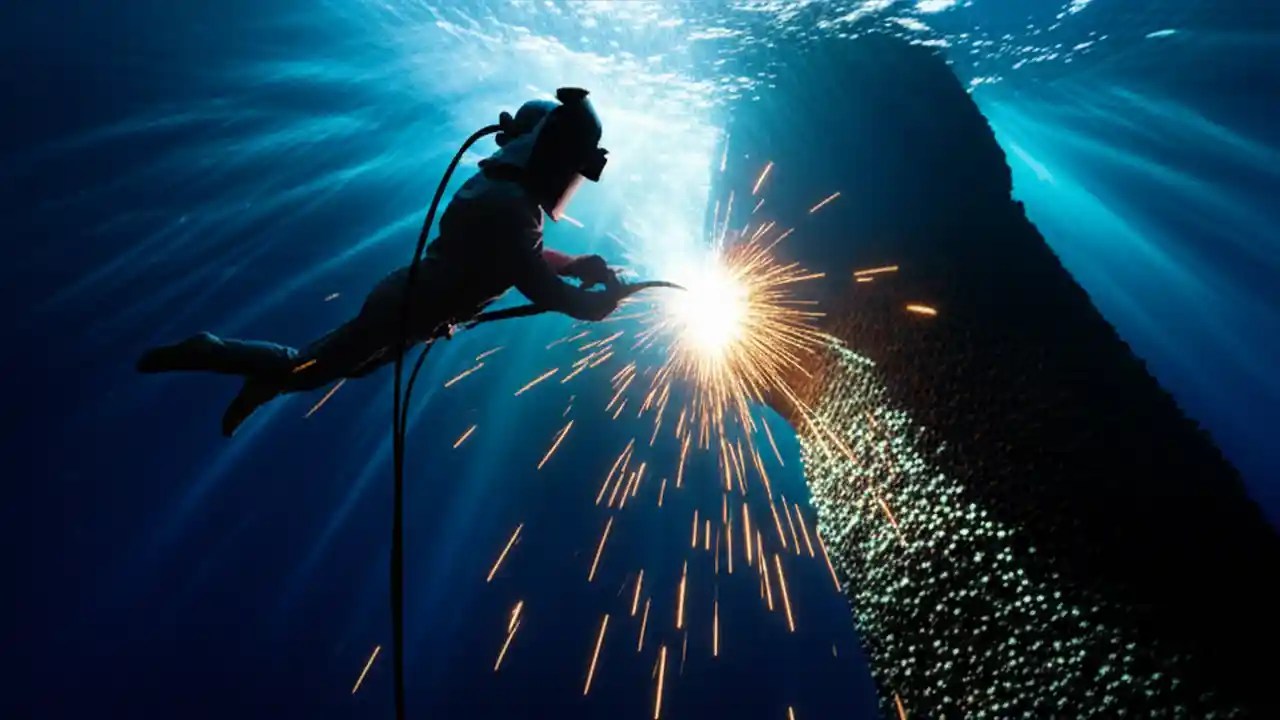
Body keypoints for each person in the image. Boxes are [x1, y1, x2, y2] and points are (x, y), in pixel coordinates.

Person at [137, 88, 622, 436]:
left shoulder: (508, 199)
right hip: (404, 307)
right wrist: (589, 305)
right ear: (548, 150)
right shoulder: (508, 204)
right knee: (309, 367)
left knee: (336, 366)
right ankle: (214, 351)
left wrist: (578, 264)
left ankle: (263, 383)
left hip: (412, 312)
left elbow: (525, 259)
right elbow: (536, 281)